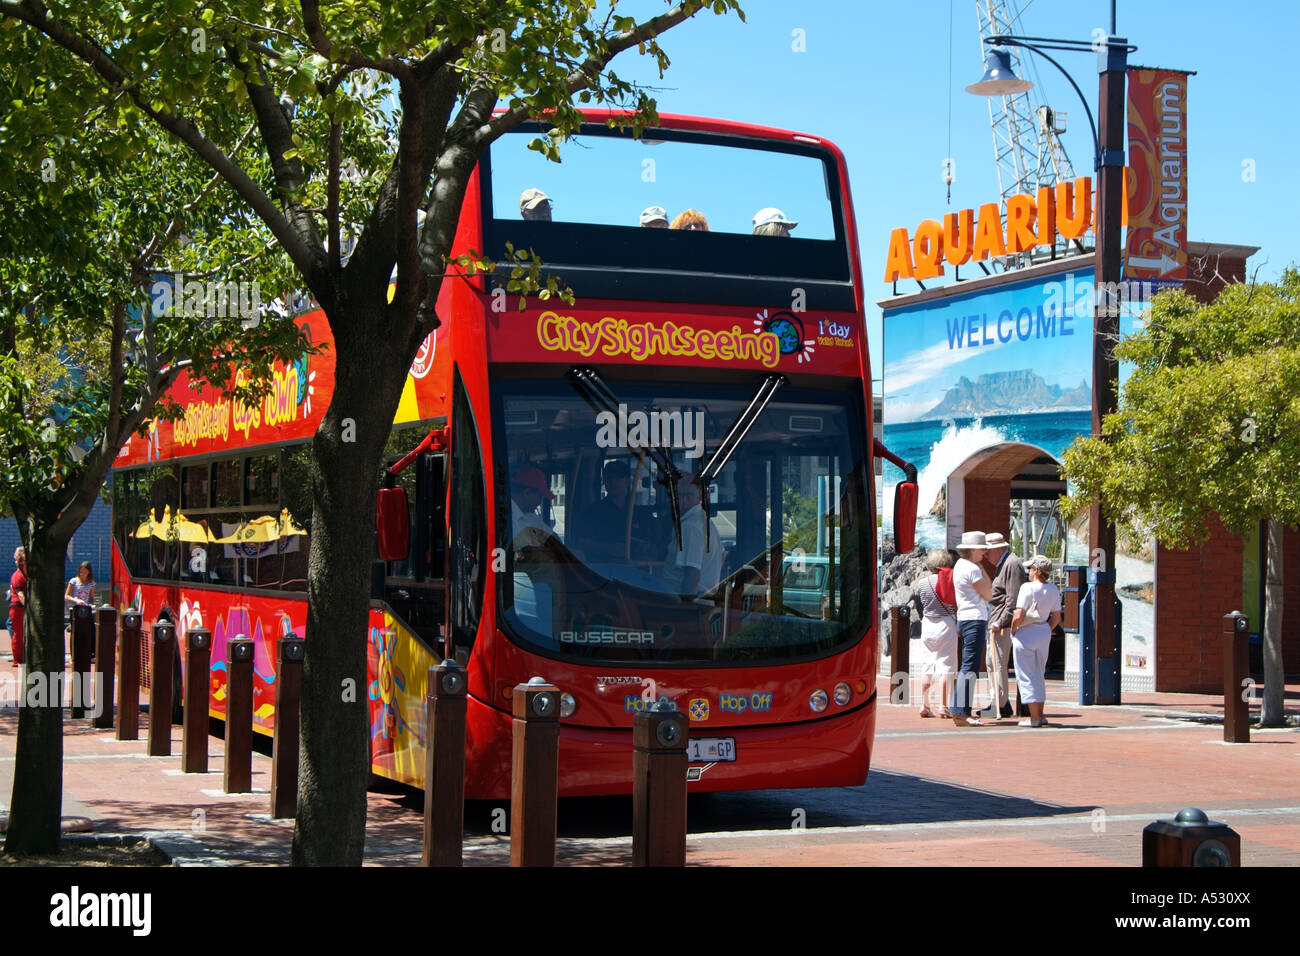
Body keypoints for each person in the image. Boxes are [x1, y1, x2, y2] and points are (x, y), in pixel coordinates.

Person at [1010, 555, 1063, 727]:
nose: (1029, 572)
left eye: (1031, 569)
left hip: (1026, 632)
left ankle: (1033, 718)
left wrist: (1013, 630)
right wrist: (1047, 628)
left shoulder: (1027, 588)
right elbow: (1056, 616)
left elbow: (1018, 615)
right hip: (1043, 631)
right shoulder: (1054, 589)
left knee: (1026, 675)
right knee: (1039, 673)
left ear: (1036, 570)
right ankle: (1040, 714)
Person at [978, 532, 1025, 720]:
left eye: (988, 551)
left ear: (998, 549)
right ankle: (998, 701)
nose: (986, 555)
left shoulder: (1012, 564)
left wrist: (1001, 621)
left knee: (997, 663)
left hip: (1001, 625)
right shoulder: (1004, 564)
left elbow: (1013, 599)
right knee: (992, 663)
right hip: (997, 622)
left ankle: (1001, 704)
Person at [951, 531, 993, 725]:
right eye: (982, 548)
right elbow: (989, 593)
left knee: (967, 666)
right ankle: (961, 711)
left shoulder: (959, 565)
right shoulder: (973, 569)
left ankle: (960, 710)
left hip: (964, 617)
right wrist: (982, 569)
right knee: (970, 667)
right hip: (975, 619)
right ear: (974, 549)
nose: (985, 551)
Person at [913, 549, 958, 718]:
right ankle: (943, 706)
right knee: (946, 666)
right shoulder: (949, 580)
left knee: (927, 665)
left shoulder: (922, 583)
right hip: (946, 622)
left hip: (928, 624)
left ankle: (924, 705)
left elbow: (922, 603)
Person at [661, 475, 722, 596]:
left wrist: (685, 608)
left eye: (671, 496)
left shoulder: (690, 527)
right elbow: (723, 555)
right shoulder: (704, 522)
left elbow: (692, 573)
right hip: (703, 597)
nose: (668, 501)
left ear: (687, 498)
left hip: (679, 598)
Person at [585, 459, 634, 563]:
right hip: (602, 570)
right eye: (609, 478)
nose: (613, 482)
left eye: (618, 478)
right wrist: (609, 548)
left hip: (634, 571)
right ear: (604, 481)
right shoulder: (593, 511)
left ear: (627, 481)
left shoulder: (637, 512)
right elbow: (581, 542)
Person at [509, 465, 560, 552]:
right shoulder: (502, 517)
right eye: (540, 496)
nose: (540, 502)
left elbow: (555, 539)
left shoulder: (531, 517)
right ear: (527, 493)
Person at [9, 547, 27, 666]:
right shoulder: (18, 576)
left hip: (22, 608)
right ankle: (18, 660)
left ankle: (23, 657)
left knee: (24, 634)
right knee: (19, 634)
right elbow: (20, 595)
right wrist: (29, 608)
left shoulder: (26, 574)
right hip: (18, 608)